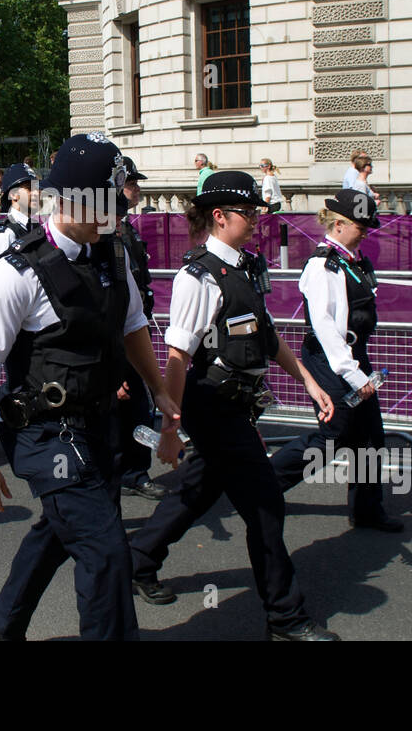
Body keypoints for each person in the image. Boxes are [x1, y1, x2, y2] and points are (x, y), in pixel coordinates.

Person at [0, 133, 181, 642]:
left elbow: (132, 327)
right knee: (106, 551)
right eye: (108, 206)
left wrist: (160, 391)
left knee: (61, 531)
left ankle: (3, 620)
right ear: (70, 201)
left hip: (101, 426)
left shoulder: (112, 253)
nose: (118, 216)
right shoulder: (16, 273)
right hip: (47, 434)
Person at [126, 171, 339, 641]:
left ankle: (137, 559)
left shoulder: (244, 266)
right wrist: (169, 428)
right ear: (220, 217)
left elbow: (266, 336)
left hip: (236, 406)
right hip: (212, 405)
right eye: (249, 212)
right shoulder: (197, 277)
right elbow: (178, 358)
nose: (258, 219)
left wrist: (307, 381)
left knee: (199, 489)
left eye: (259, 211)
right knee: (264, 506)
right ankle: (285, 617)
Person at [270, 189, 404, 535]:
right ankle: (262, 486)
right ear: (340, 223)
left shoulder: (354, 260)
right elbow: (326, 327)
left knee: (371, 435)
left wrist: (358, 367)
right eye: (361, 225)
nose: (366, 230)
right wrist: (353, 374)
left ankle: (367, 510)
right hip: (330, 359)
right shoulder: (322, 265)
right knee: (334, 435)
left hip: (352, 356)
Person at [113, 157, 167, 501]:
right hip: (115, 335)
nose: (137, 189)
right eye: (132, 182)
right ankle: (120, 472)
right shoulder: (107, 231)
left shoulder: (127, 227)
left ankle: (134, 471)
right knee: (122, 407)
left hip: (135, 328)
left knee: (138, 405)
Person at [0, 163, 39, 264]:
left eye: (37, 188)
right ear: (13, 195)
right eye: (29, 188)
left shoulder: (34, 227)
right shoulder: (4, 236)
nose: (36, 193)